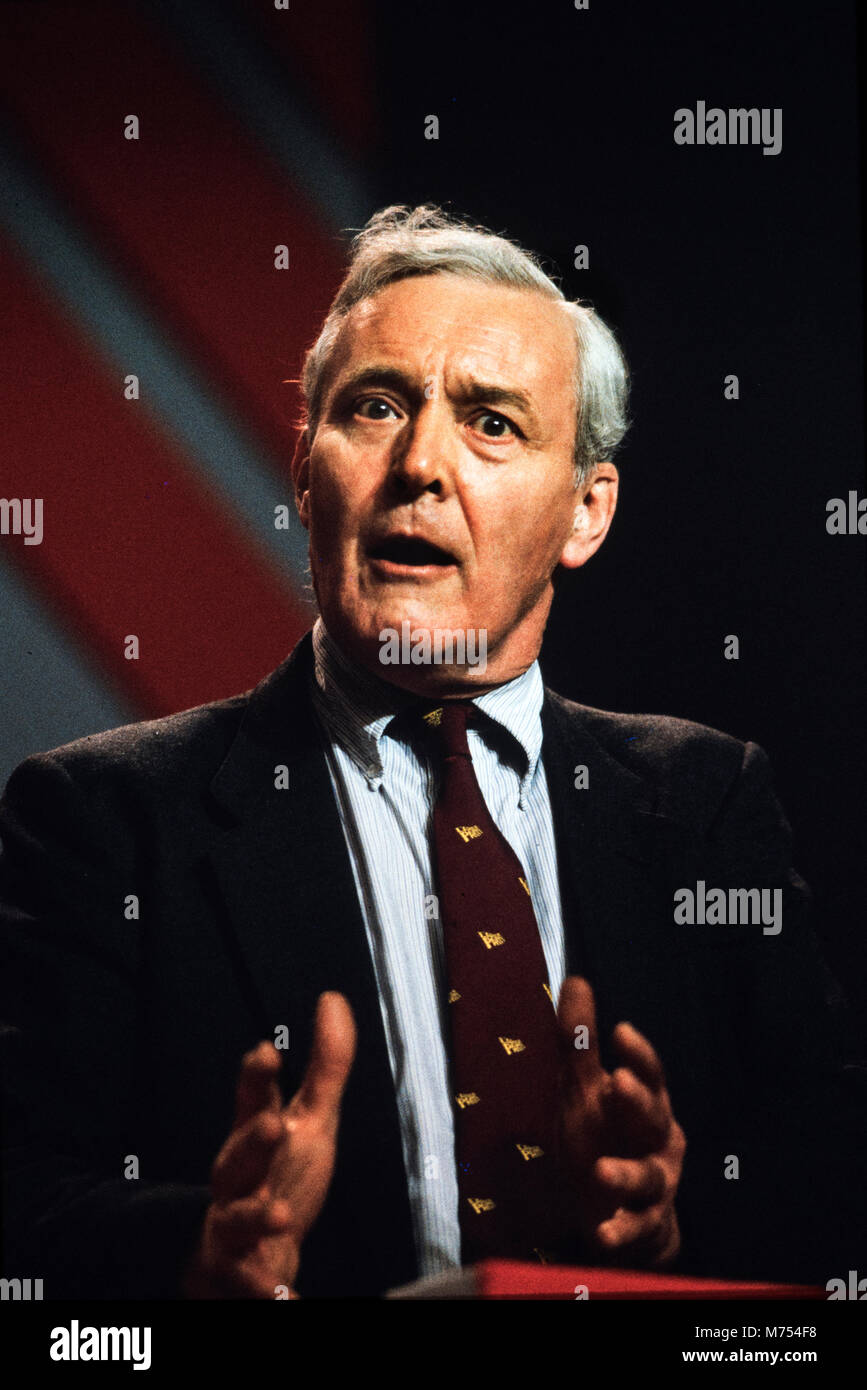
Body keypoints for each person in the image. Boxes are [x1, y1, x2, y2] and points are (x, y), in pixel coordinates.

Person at [1, 205, 864, 1300]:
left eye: (492, 423)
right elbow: (24, 1201)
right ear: (307, 471)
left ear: (585, 512)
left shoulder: (705, 801)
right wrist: (201, 1248)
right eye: (375, 407)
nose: (420, 464)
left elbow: (834, 1188)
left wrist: (671, 1223)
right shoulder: (102, 817)